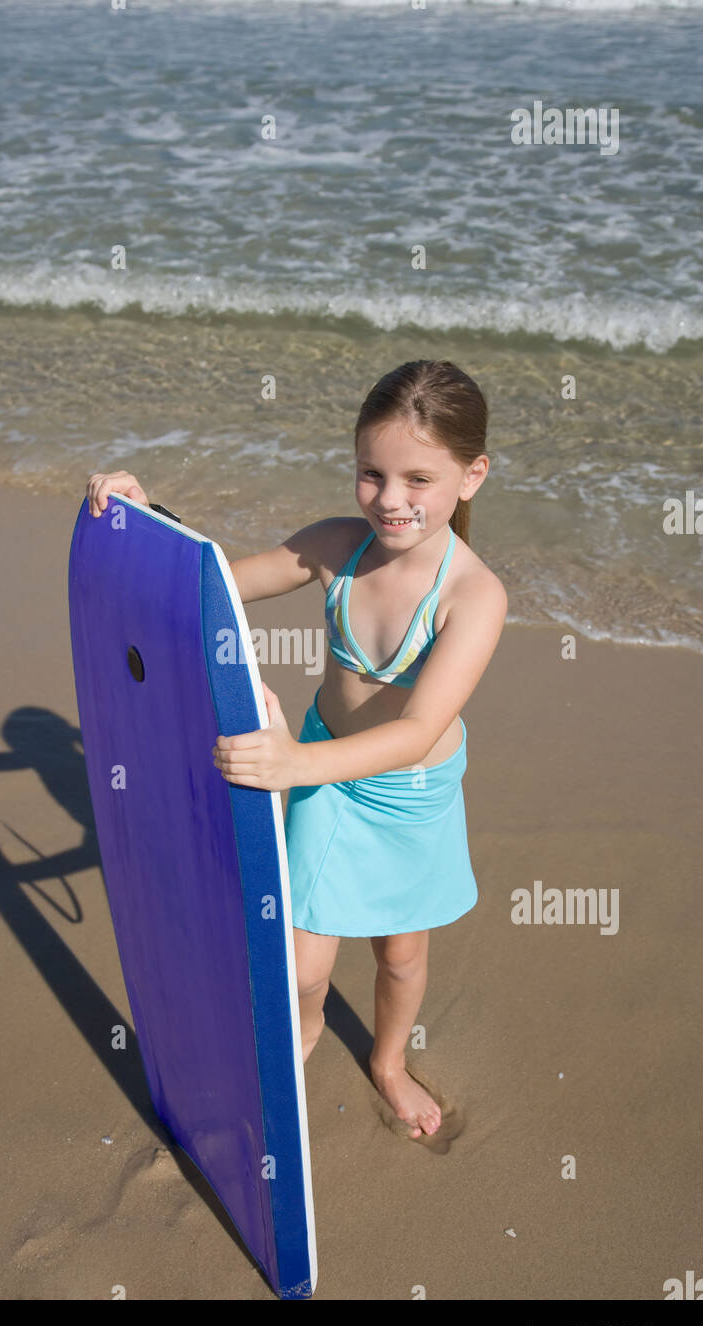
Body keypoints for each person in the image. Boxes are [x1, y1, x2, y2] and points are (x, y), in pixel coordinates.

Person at [85, 359, 507, 1142]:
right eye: (371, 474)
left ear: (471, 476)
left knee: (403, 957)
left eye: (419, 479)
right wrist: (149, 516)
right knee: (305, 965)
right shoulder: (337, 548)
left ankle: (387, 1062)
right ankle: (300, 1039)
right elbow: (211, 582)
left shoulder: (474, 597)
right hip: (328, 778)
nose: (390, 499)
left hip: (412, 795)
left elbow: (415, 732)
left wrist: (288, 765)